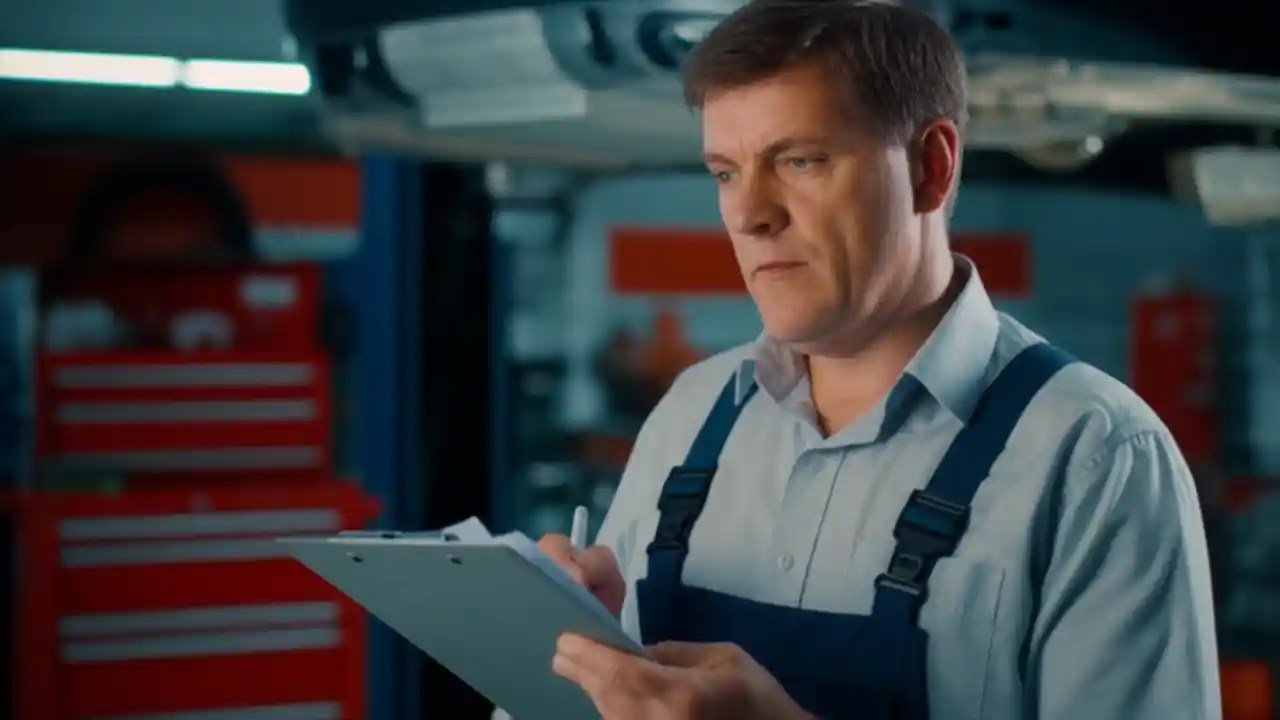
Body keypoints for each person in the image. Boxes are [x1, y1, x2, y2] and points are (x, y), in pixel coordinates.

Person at [537, 1, 1221, 718]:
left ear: (930, 166)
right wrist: (585, 650)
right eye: (726, 173)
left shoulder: (1094, 457)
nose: (749, 215)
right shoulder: (692, 414)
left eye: (799, 161)